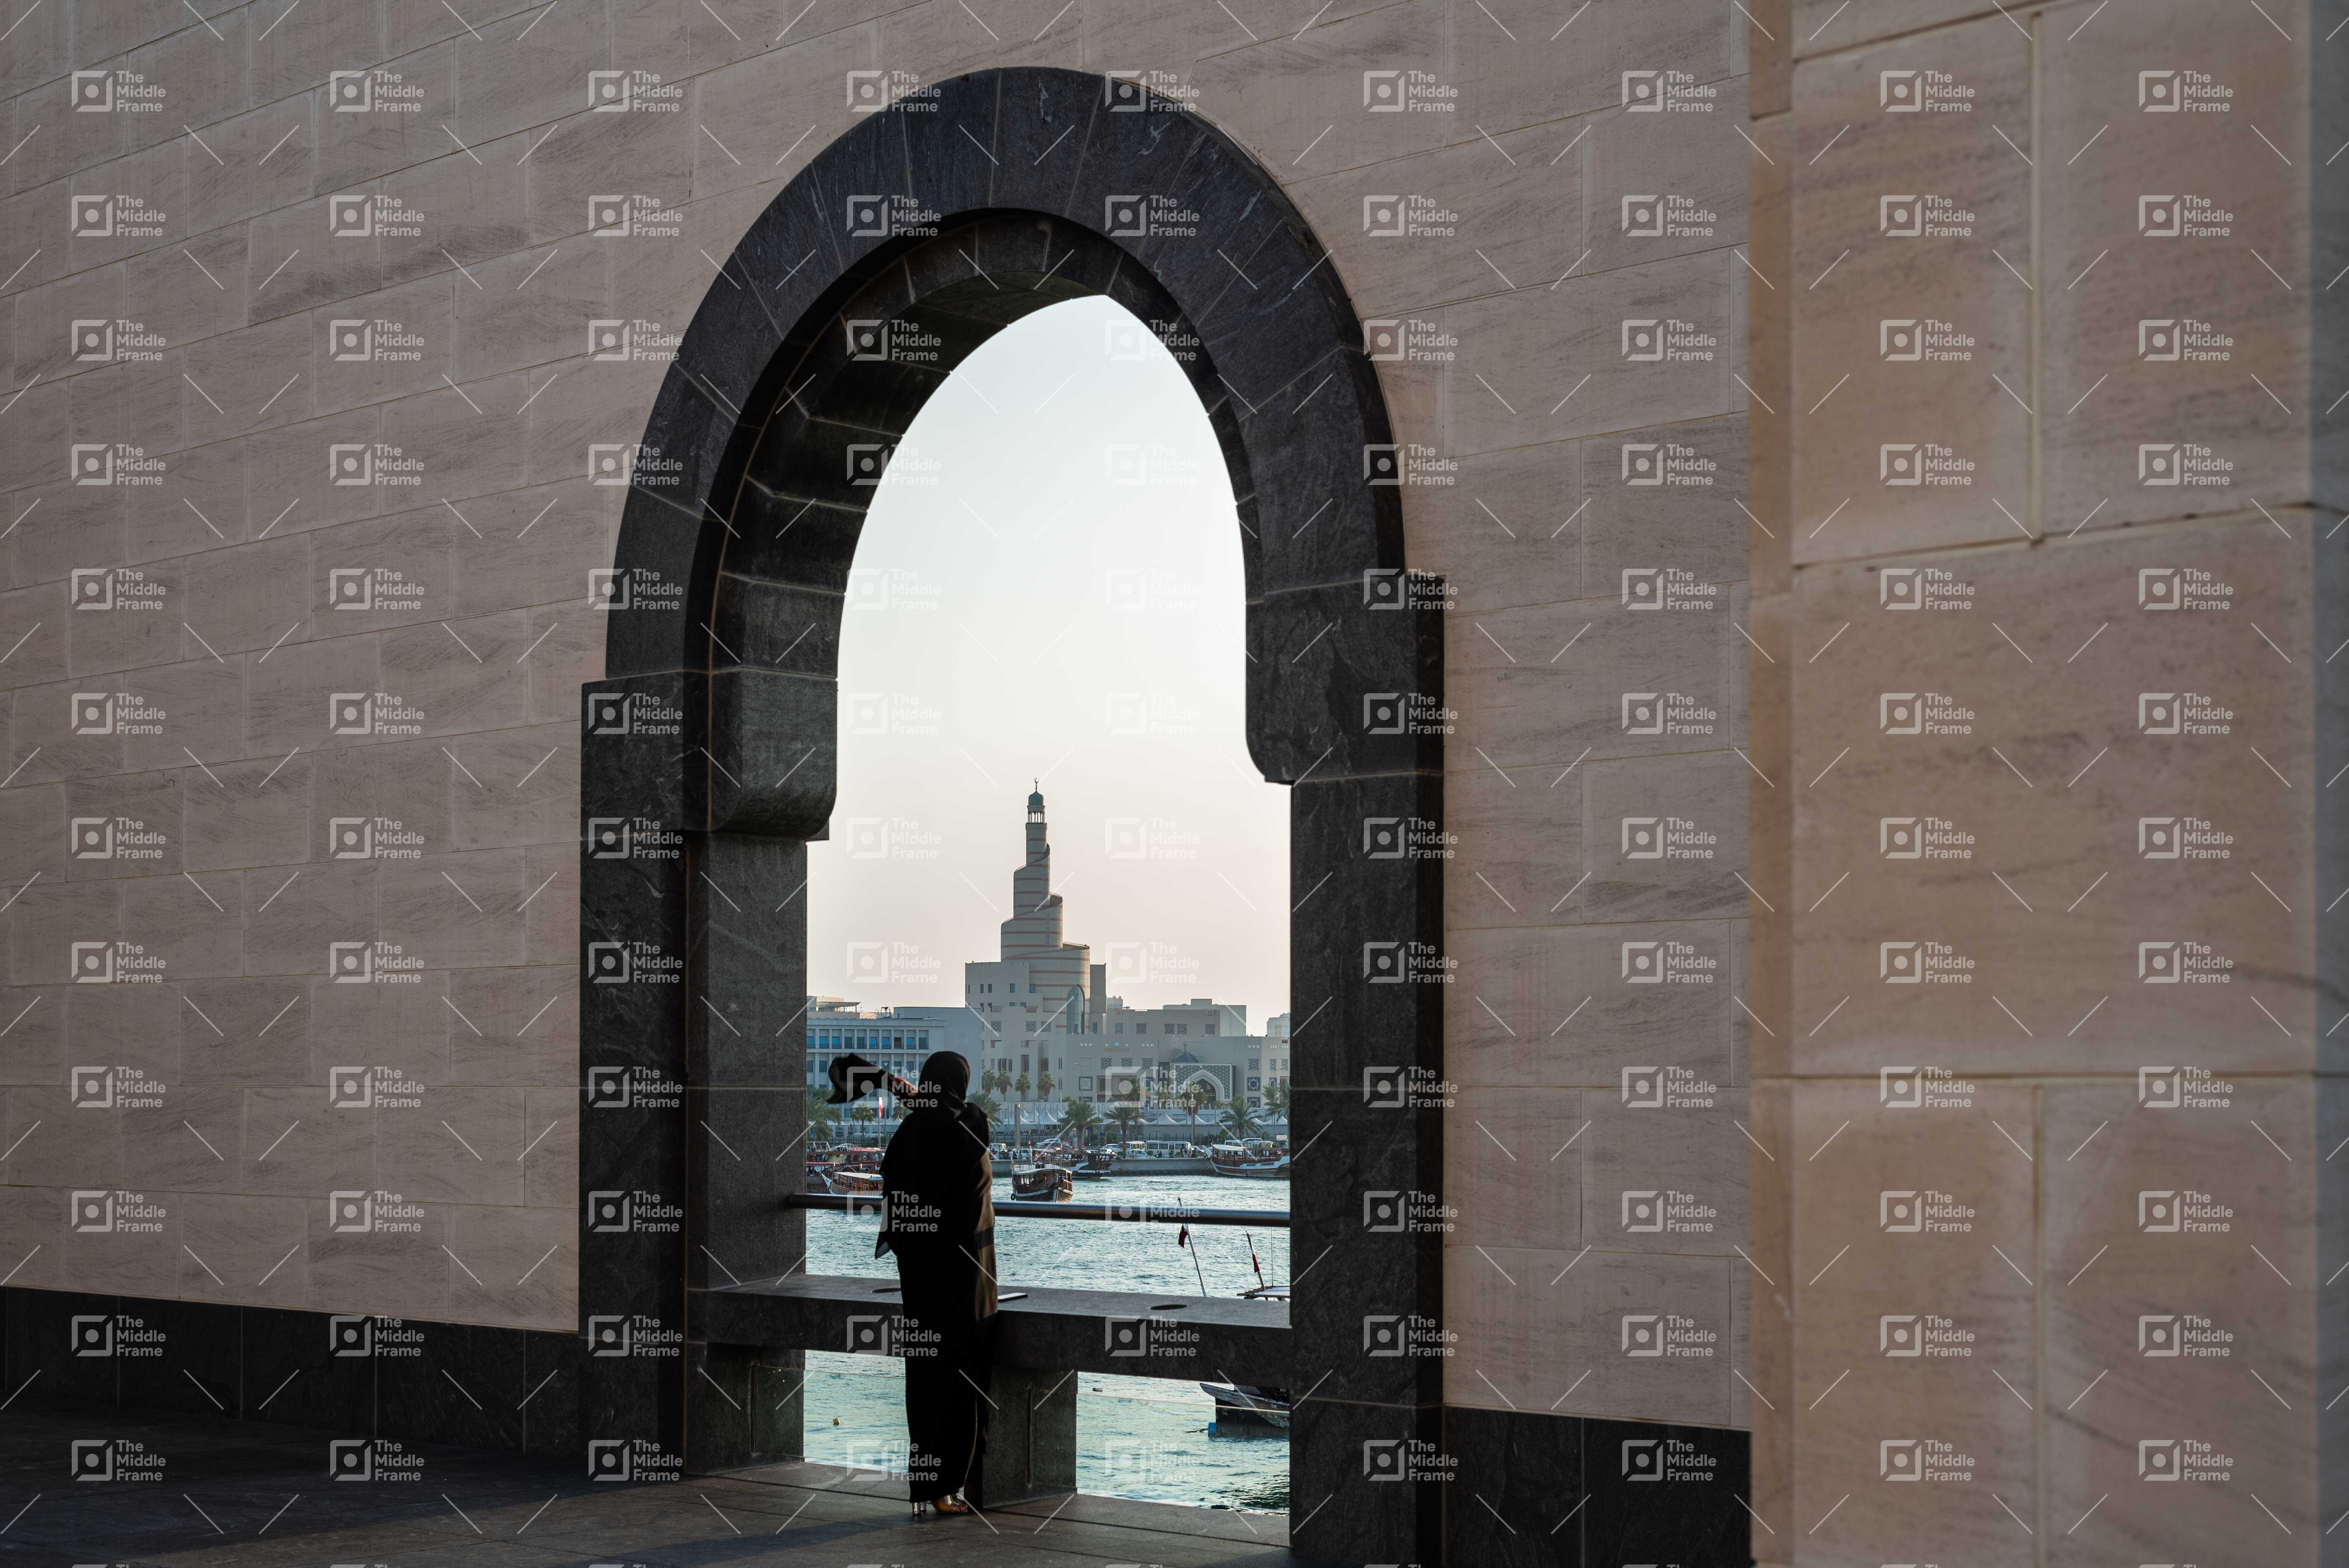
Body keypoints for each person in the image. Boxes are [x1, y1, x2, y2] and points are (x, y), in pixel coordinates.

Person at [877, 1050, 996, 1516]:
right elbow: (972, 1121)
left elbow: (895, 1204)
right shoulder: (967, 1128)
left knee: (926, 1381)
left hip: (922, 1278)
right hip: (965, 1280)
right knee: (962, 1382)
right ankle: (948, 1488)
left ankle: (928, 1488)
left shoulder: (911, 1134)